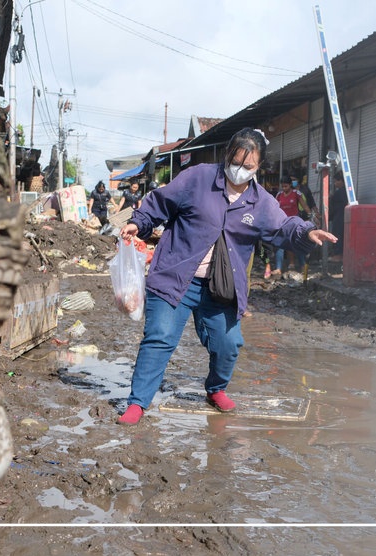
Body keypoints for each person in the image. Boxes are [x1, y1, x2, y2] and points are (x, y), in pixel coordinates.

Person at [116, 127, 337, 425]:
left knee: (228, 343)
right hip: (174, 278)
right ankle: (137, 403)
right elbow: (159, 204)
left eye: (249, 167)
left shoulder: (260, 202)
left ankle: (216, 389)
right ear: (227, 156)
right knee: (160, 337)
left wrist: (308, 231)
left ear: (259, 167)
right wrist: (138, 223)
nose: (240, 170)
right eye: (236, 162)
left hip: (220, 288)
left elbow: (285, 227)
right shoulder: (198, 179)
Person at [275, 179, 312, 274]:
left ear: (290, 185)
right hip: (282, 223)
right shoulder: (279, 195)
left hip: (295, 223)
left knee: (297, 244)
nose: (284, 188)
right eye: (282, 187)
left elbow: (304, 205)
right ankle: (278, 268)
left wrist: (311, 215)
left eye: (286, 186)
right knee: (280, 245)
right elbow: (275, 207)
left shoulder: (296, 193)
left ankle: (302, 266)